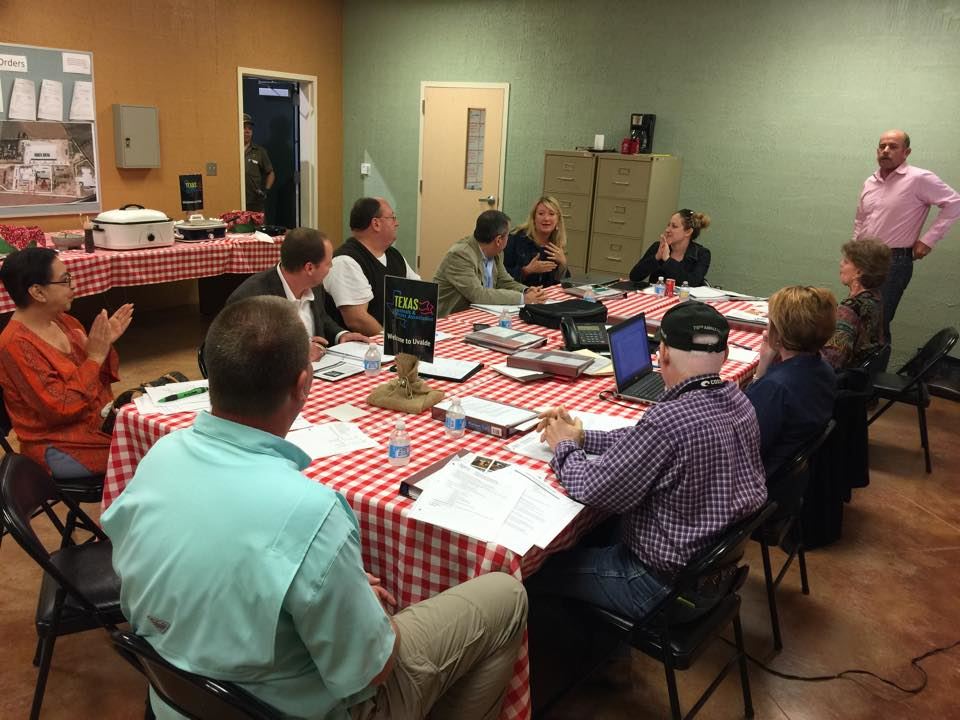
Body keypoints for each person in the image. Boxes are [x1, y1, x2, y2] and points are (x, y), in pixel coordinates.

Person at [101, 296, 528, 720]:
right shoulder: (313, 511)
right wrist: (371, 610)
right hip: (290, 708)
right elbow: (373, 671)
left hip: (176, 699)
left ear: (211, 374)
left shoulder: (161, 456)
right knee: (506, 595)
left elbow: (175, 559)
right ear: (305, 383)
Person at [529, 303, 767, 620]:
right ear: (724, 357)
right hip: (714, 576)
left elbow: (591, 487)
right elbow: (643, 442)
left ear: (663, 353)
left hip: (662, 589)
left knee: (534, 571)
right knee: (597, 532)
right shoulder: (738, 399)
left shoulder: (669, 422)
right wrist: (583, 437)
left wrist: (565, 446)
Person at [0, 247, 133, 477]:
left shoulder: (65, 322)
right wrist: (95, 357)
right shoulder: (14, 345)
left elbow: (98, 384)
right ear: (38, 292)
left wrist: (103, 345)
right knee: (150, 455)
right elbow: (61, 409)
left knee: (159, 436)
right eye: (65, 280)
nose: (73, 286)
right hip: (60, 444)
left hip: (96, 426)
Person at [853, 129, 960, 340]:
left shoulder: (919, 178)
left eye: (893, 146)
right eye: (882, 146)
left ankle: (871, 374)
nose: (886, 150)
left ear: (906, 152)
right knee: (856, 319)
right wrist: (853, 257)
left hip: (892, 261)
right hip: (863, 260)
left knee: (877, 325)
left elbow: (954, 203)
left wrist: (928, 240)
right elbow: (860, 220)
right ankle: (853, 373)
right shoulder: (870, 182)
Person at [227, 227, 368, 361]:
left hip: (318, 372)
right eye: (328, 263)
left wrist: (341, 335)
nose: (331, 268)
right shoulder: (251, 298)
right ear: (309, 268)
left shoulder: (315, 286)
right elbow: (242, 354)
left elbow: (321, 318)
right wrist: (296, 354)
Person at [745, 286, 837, 476]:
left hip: (759, 478)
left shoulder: (776, 387)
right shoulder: (824, 369)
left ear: (778, 331)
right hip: (791, 479)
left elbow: (743, 445)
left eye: (770, 321)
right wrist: (764, 365)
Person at [323, 197, 420, 335]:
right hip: (358, 349)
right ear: (376, 224)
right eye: (392, 217)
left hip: (394, 340)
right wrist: (393, 341)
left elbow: (417, 292)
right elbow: (357, 320)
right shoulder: (345, 261)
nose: (396, 223)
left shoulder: (394, 255)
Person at [434, 210, 549, 318]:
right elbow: (478, 295)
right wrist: (523, 299)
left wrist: (526, 291)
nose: (508, 239)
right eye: (508, 235)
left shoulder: (496, 252)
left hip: (482, 315)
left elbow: (504, 281)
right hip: (451, 320)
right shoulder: (460, 255)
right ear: (498, 240)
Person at [822, 239, 892, 370]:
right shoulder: (875, 297)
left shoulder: (849, 309)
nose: (841, 264)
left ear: (859, 272)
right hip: (862, 375)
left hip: (843, 379)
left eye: (846, 262)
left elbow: (832, 361)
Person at [629, 208, 711, 286]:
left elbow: (692, 283)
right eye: (668, 225)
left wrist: (668, 260)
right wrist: (656, 257)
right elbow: (634, 277)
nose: (667, 230)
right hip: (657, 298)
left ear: (688, 232)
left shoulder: (702, 254)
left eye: (674, 226)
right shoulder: (658, 247)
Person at [503, 196, 570, 287]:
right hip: (519, 296)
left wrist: (563, 264)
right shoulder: (515, 238)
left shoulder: (556, 244)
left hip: (546, 298)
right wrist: (526, 271)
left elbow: (564, 284)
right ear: (533, 218)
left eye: (551, 214)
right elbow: (500, 276)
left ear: (558, 220)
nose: (546, 218)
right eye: (541, 214)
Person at [243, 112, 274, 212]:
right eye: (244, 127)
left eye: (250, 128)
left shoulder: (260, 151)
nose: (247, 131)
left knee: (258, 228)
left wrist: (266, 190)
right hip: (236, 199)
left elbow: (271, 173)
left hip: (255, 202)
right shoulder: (232, 150)